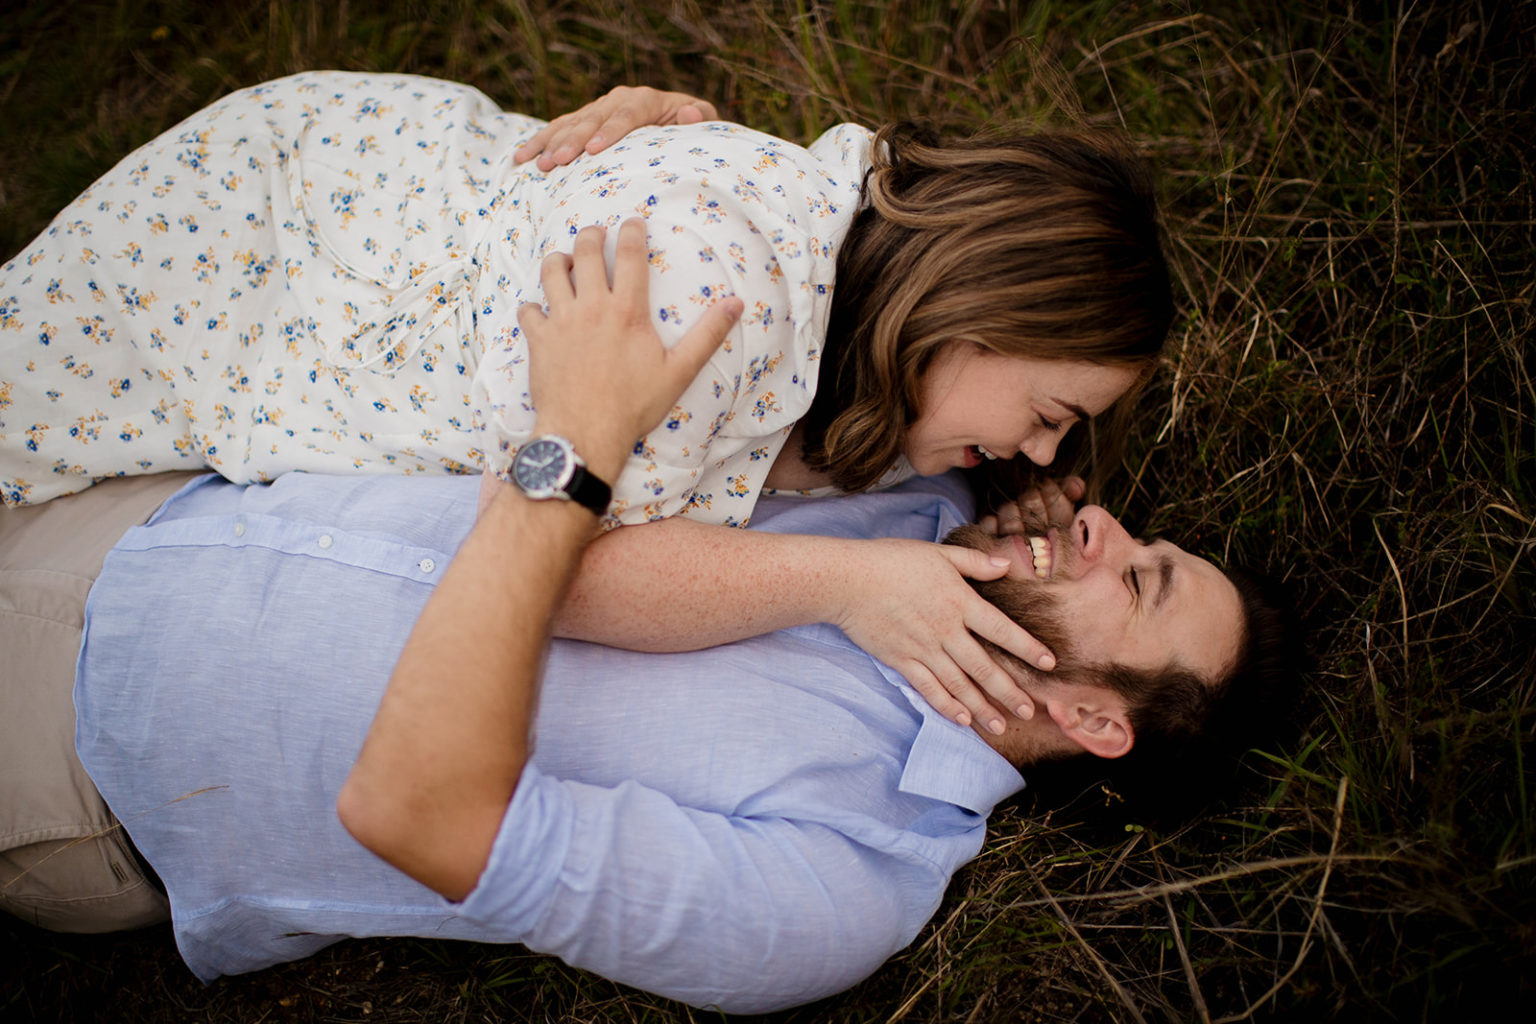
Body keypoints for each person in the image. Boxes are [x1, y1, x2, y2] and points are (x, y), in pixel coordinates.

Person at [0, 213, 1294, 1015]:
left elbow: (423, 814)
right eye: (1143, 539)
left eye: (1141, 581)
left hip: (83, 759)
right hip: (159, 494)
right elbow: (824, 256)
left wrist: (575, 445)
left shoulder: (843, 878)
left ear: (1092, 721)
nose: (1106, 526)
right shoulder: (912, 494)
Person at [0, 72, 1173, 730]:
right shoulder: (713, 308)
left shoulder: (845, 257)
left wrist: (1010, 479)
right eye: (1052, 408)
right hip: (263, 265)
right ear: (977, 313)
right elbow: (554, 569)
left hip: (364, 177)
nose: (1039, 445)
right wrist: (856, 582)